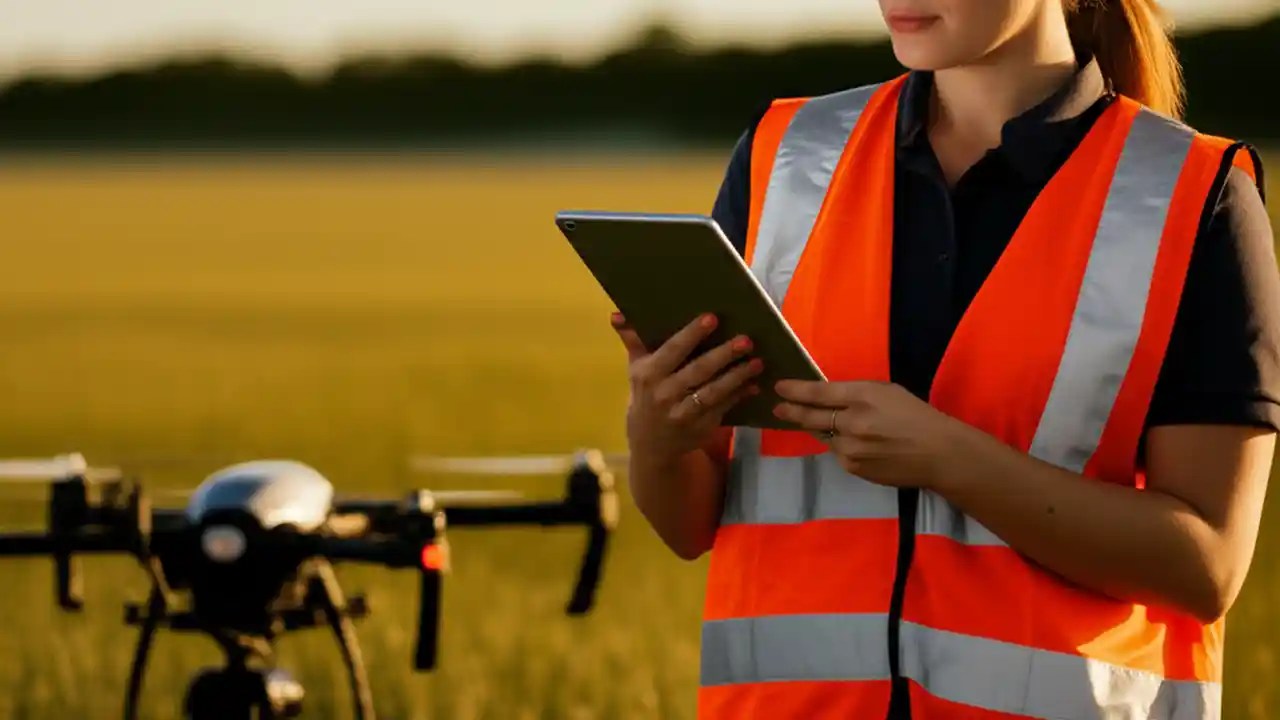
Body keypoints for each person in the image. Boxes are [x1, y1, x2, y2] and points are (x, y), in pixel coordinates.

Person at [609, 0, 1279, 718]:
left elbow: (1207, 564)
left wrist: (949, 459)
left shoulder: (1193, 195)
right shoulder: (786, 156)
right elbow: (690, 525)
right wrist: (658, 435)